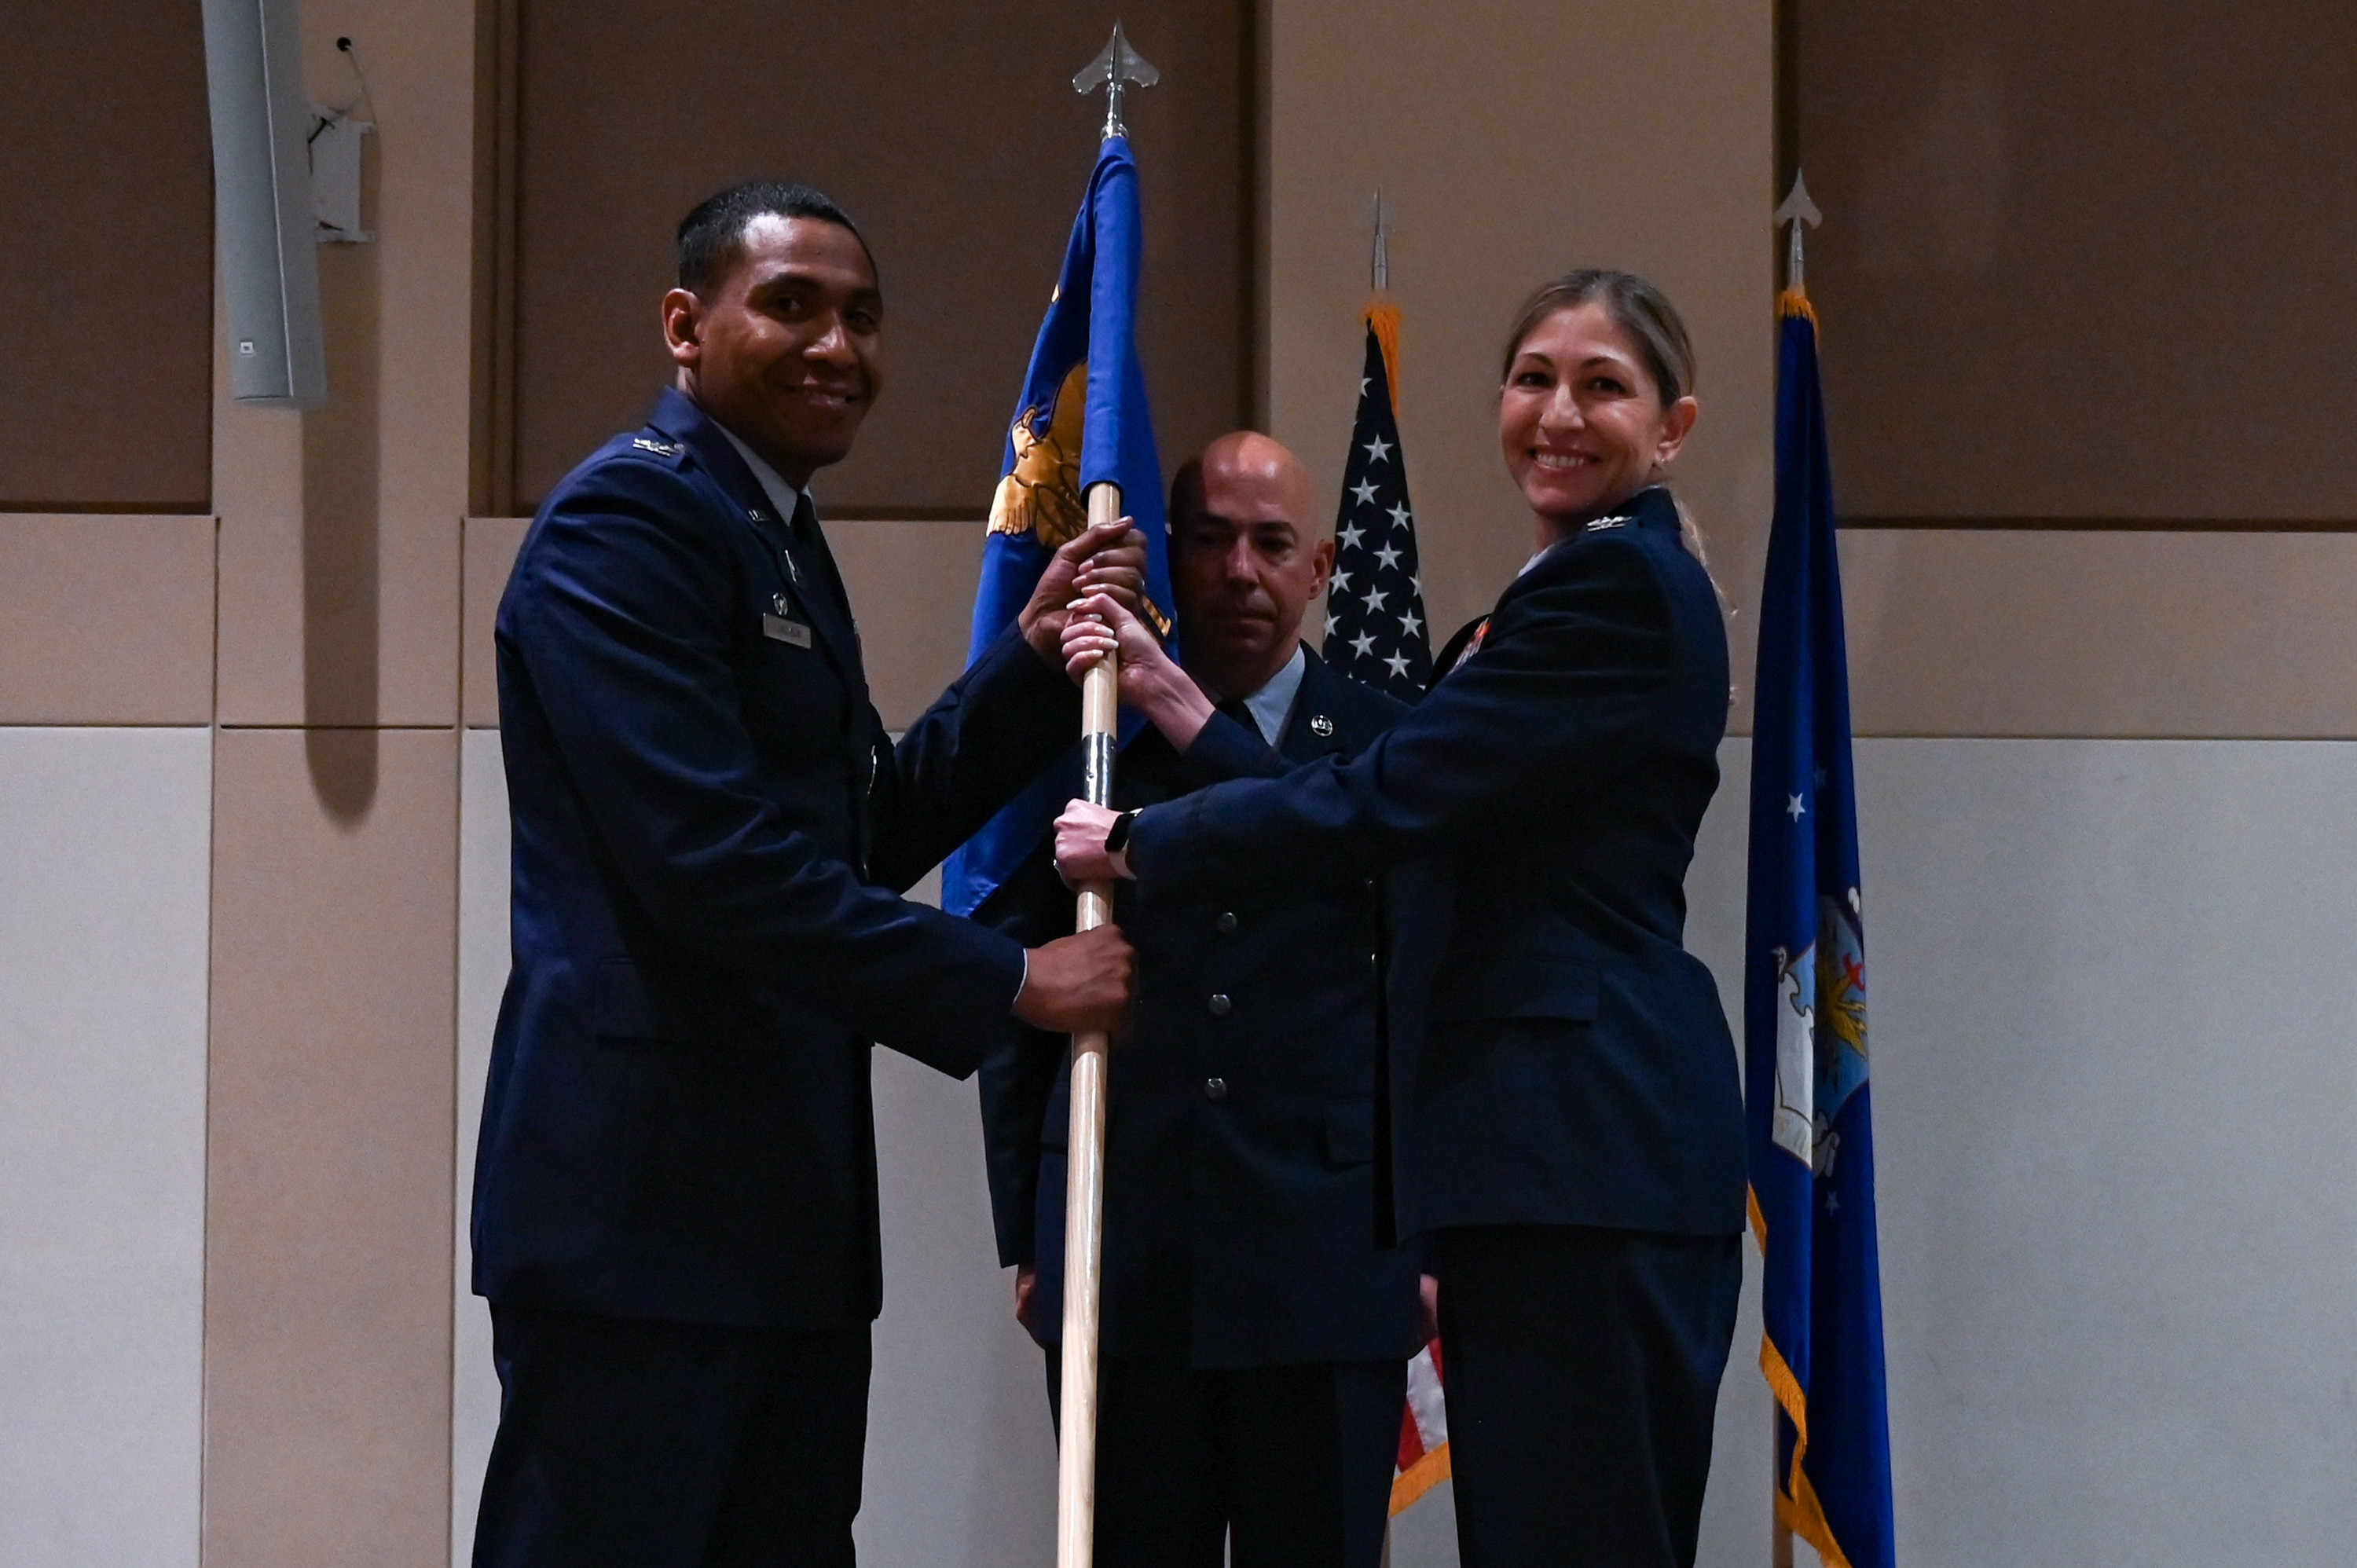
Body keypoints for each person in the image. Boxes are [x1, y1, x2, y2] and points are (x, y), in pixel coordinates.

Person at [471, 179, 1139, 1568]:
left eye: (863, 318)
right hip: (641, 1221)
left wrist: (1029, 662)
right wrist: (1013, 979)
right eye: (792, 306)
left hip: (779, 1225)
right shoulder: (626, 524)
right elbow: (712, 864)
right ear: (684, 325)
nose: (839, 347)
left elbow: (858, 829)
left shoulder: (767, 529)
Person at [1054, 271, 1747, 1568]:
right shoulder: (1559, 594)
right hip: (1543, 1161)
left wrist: (1148, 839)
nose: (1559, 412)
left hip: (1581, 1151)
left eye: (1603, 386)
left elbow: (1387, 800)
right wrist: (1188, 714)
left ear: (1672, 427)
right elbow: (1404, 833)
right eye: (1534, 377)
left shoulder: (1612, 589)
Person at [979, 432, 1424, 1568]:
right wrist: (1027, 1226)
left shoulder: (1385, 741)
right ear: (1170, 555)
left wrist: (1429, 1237)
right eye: (1212, 540)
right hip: (1128, 1246)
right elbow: (1019, 975)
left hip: (1326, 1259)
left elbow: (1422, 990)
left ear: (1320, 567)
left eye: (1272, 544)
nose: (1239, 571)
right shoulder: (1094, 737)